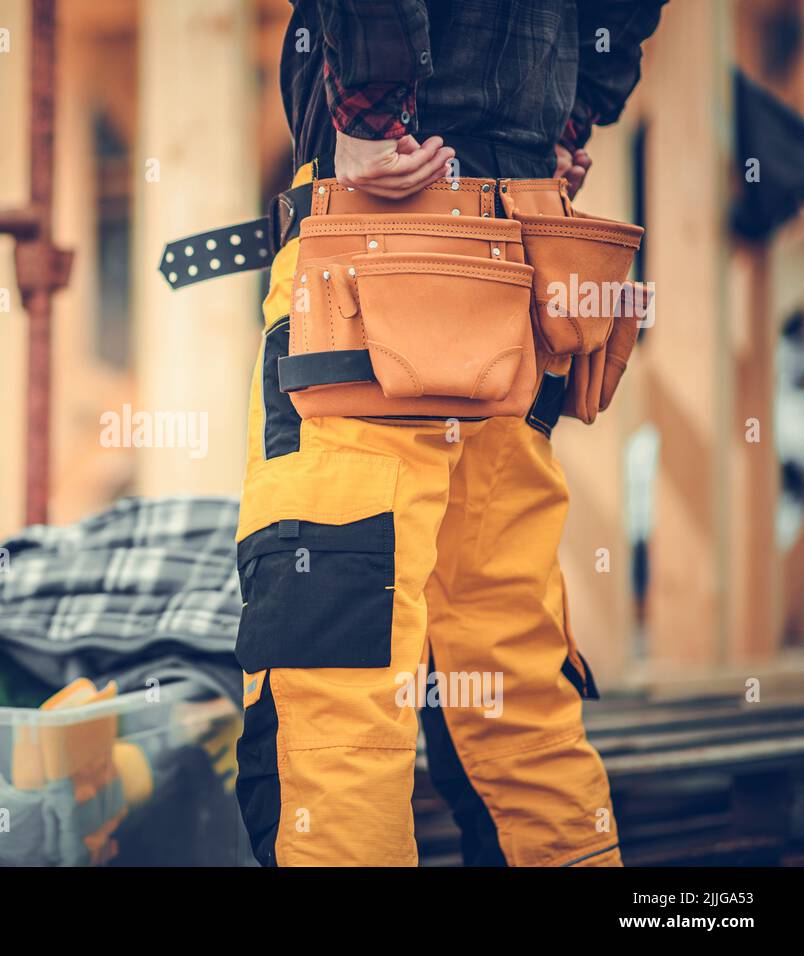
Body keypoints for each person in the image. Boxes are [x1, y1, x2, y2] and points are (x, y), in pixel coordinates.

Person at [232, 0, 667, 867]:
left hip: (375, 245)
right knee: (512, 676)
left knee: (337, 671)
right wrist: (566, 111)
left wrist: (369, 117)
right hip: (519, 252)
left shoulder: (375, 135)